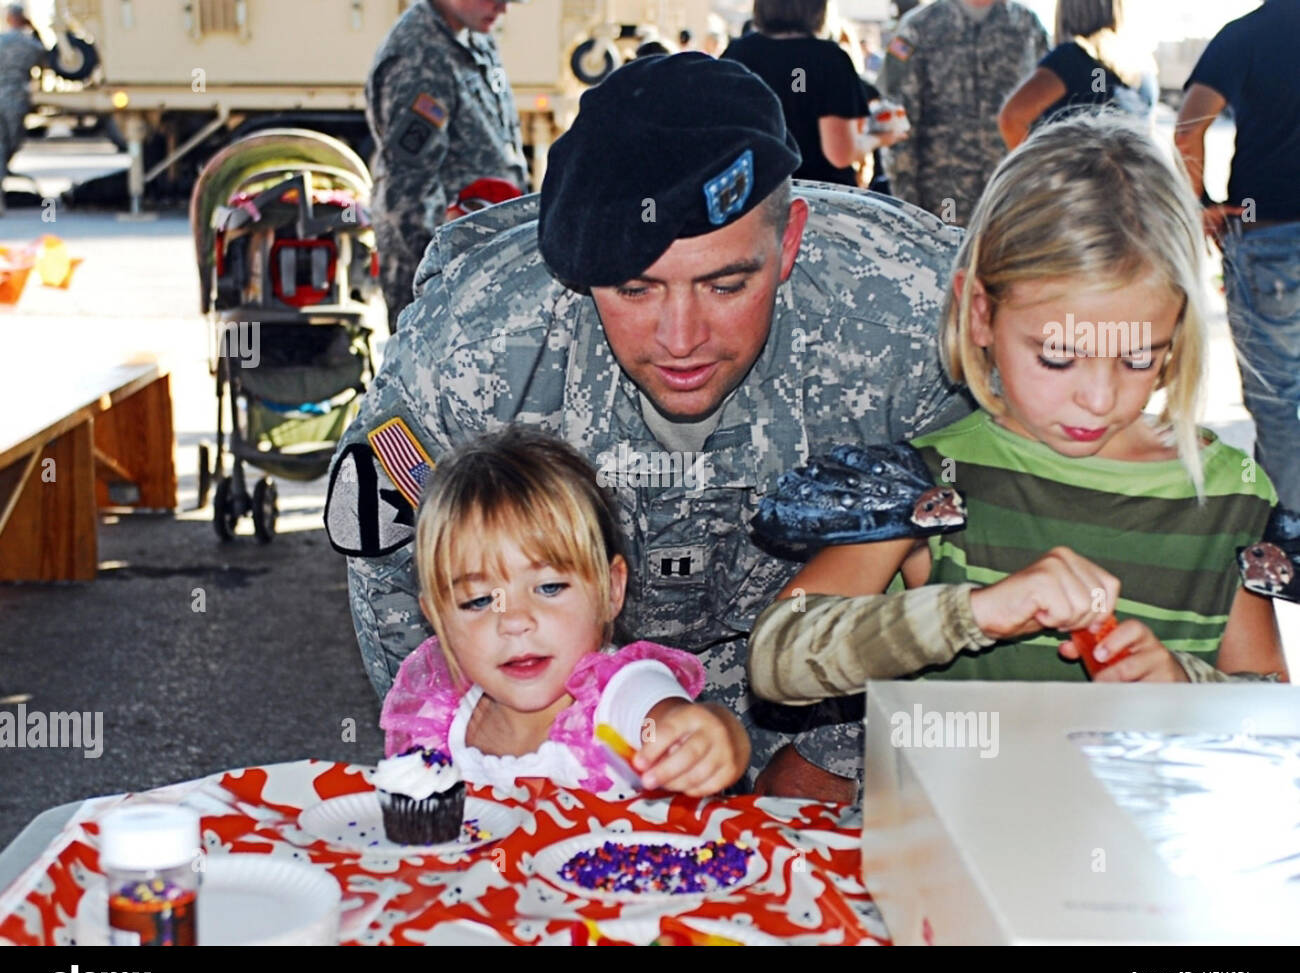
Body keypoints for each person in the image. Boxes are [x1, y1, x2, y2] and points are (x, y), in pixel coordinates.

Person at [324, 53, 974, 802]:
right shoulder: (475, 343)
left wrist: (835, 758)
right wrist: (486, 766)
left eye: (727, 283)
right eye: (636, 288)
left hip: (819, 683)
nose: (681, 336)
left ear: (790, 240)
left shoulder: (916, 316)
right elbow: (395, 572)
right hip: (561, 707)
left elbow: (966, 564)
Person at [747, 113, 1288, 704]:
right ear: (980, 314)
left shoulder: (1230, 499)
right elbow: (779, 659)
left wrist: (1186, 686)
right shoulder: (927, 486)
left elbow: (1268, 706)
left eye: (1137, 358)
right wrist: (973, 613)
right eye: (1058, 357)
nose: (1099, 398)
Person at [380, 425, 750, 795]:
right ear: (436, 617)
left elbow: (664, 714)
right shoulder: (438, 717)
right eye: (478, 600)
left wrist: (709, 732)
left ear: (611, 590)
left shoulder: (618, 695)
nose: (514, 621)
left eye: (549, 587)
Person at [1175, 0, 1300, 513]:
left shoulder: (1244, 36)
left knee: (1278, 401)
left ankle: (1293, 534)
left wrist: (1202, 203)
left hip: (1266, 236)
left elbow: (1186, 130)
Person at [365, 0, 528, 332]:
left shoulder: (473, 37)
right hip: (444, 273)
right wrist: (441, 277)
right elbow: (408, 189)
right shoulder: (419, 56)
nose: (503, 8)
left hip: (481, 260)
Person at [877, 0, 1049, 225]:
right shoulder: (918, 28)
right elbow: (898, 126)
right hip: (940, 202)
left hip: (1011, 199)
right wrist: (908, 208)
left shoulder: (1028, 26)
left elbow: (1045, 117)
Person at [721, 0, 878, 187]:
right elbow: (840, 154)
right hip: (820, 196)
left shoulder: (737, 54)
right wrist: (878, 139)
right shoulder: (830, 58)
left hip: (755, 196)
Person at [998, 0, 1155, 149]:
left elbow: (1011, 118)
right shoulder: (1143, 68)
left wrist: (1039, 170)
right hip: (1127, 174)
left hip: (1077, 174)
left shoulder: (1072, 59)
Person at [0, 2, 48, 209]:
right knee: (9, 144)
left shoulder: (2, 41)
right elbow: (49, 60)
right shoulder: (30, 43)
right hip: (17, 97)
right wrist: (34, 30)